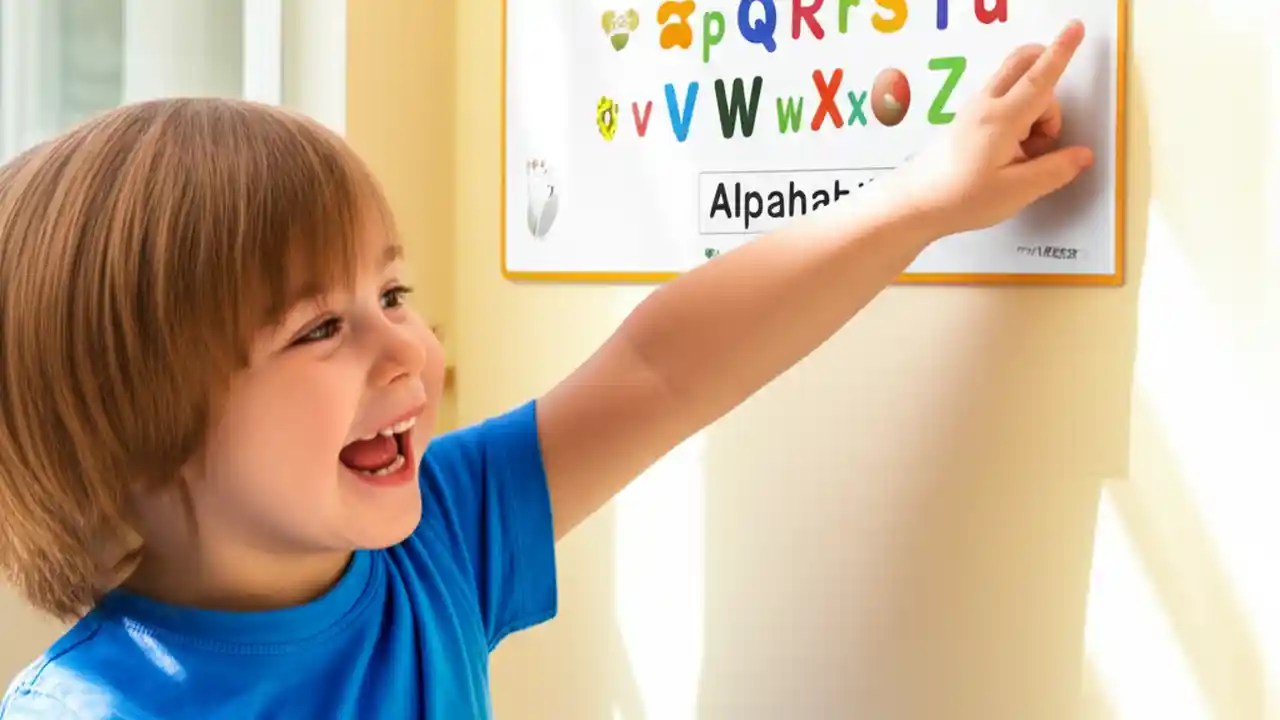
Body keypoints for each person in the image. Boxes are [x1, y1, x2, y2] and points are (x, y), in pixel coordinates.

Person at [0, 20, 1094, 720]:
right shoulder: (88, 710)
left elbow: (661, 366)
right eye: (316, 331)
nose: (413, 351)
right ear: (135, 426)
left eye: (391, 297)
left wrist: (920, 200)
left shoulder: (438, 545)